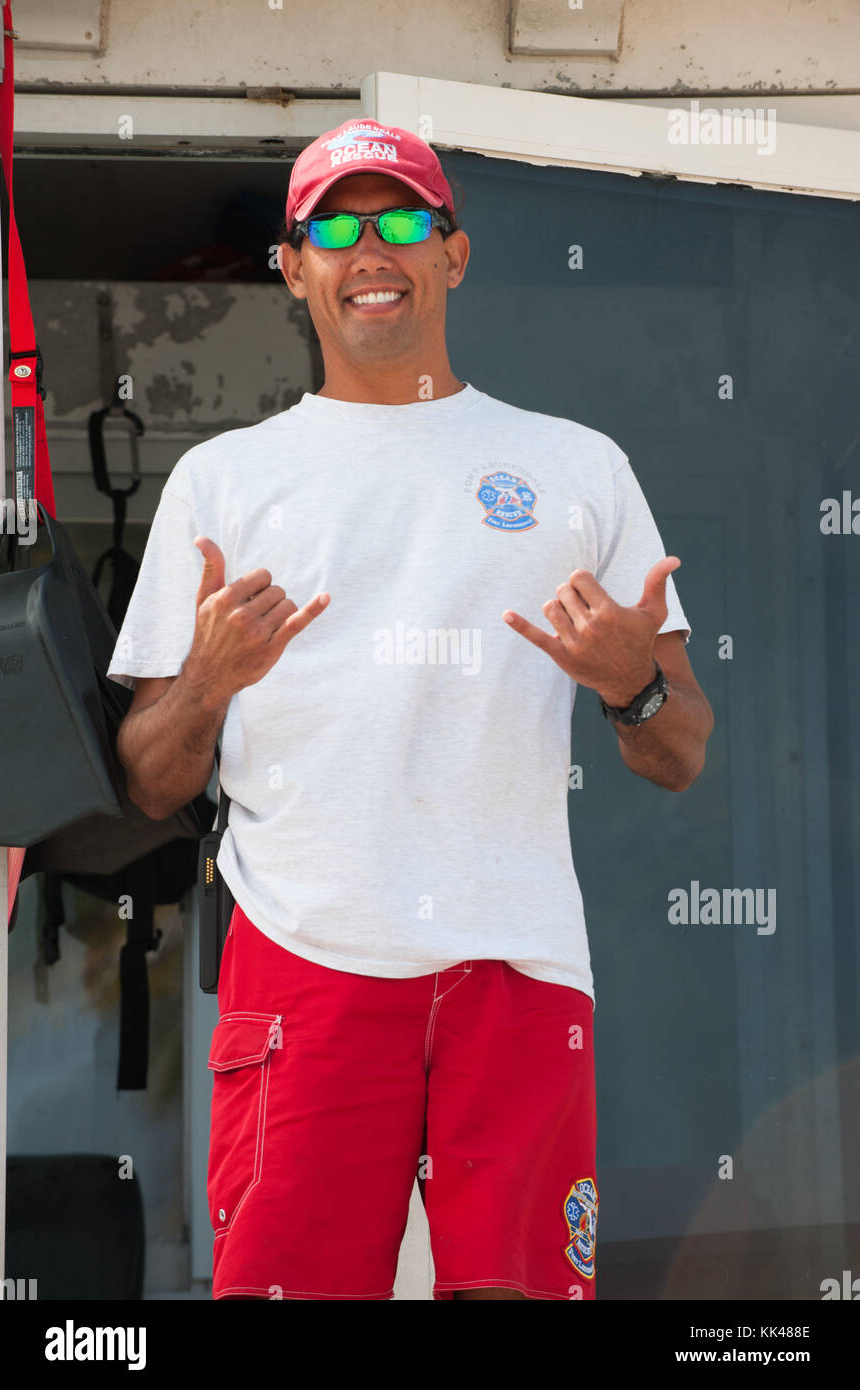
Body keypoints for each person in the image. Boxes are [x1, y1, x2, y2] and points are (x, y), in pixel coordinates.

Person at [108, 117, 714, 1301]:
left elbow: (680, 748)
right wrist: (211, 679)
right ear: (292, 266)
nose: (368, 248)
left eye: (400, 220)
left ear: (453, 253)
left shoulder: (577, 466)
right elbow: (145, 777)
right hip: (307, 961)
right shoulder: (223, 480)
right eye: (334, 224)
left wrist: (629, 679)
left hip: (519, 964)